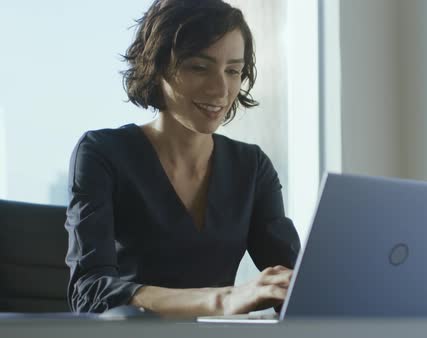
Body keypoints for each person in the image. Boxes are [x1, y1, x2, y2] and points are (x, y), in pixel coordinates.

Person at [64, 0, 300, 317]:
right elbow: (90, 293)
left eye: (233, 71)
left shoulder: (252, 167)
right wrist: (223, 300)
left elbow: (296, 283)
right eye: (199, 68)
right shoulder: (103, 153)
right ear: (158, 66)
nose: (220, 89)